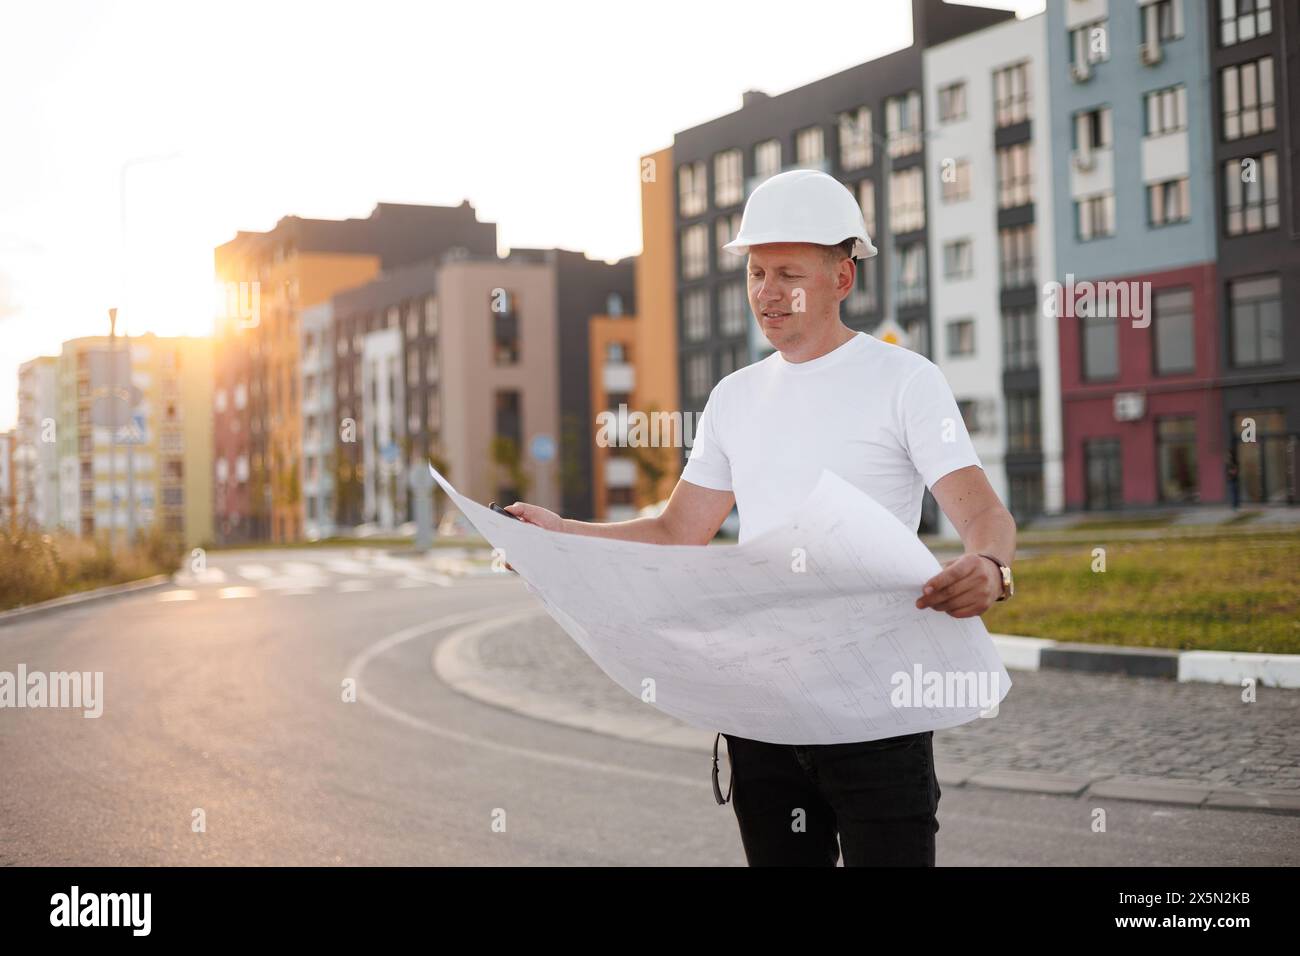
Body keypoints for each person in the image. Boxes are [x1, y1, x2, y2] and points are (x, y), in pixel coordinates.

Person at [503, 169, 1016, 866]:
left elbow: (982, 512)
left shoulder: (905, 382)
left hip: (879, 717)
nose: (766, 292)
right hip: (766, 717)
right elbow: (677, 531)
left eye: (787, 273)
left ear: (842, 278)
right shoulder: (734, 399)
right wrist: (560, 535)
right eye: (755, 272)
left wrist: (989, 566)